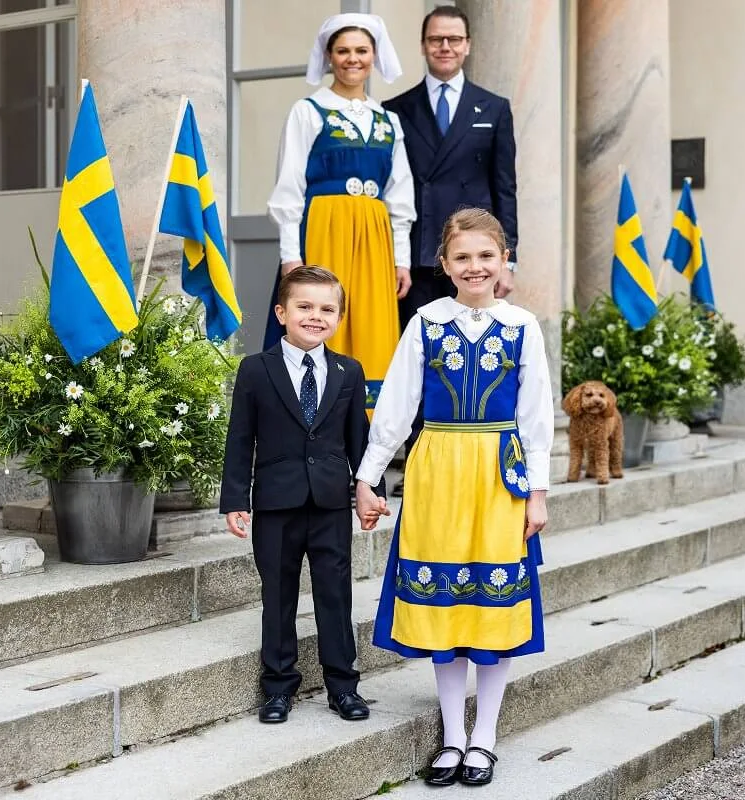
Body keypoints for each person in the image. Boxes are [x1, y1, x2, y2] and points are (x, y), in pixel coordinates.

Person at [355, 209, 553, 786]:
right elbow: (395, 407)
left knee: (491, 607)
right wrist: (368, 478)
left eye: (485, 256)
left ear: (503, 262)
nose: (474, 266)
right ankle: (451, 736)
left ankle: (484, 739)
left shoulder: (522, 326)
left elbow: (537, 419)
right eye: (462, 257)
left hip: (498, 473)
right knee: (445, 606)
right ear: (443, 264)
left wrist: (537, 495)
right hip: (437, 470)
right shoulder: (424, 322)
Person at [221, 266, 387, 725]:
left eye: (327, 309)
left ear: (339, 317)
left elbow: (360, 440)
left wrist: (369, 489)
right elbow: (240, 439)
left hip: (331, 503)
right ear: (282, 312)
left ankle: (343, 685)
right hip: (276, 504)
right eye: (305, 307)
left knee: (335, 595)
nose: (316, 316)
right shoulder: (256, 369)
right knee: (278, 594)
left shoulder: (348, 372)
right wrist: (236, 499)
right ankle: (277, 688)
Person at [383, 5, 519, 494]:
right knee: (425, 357)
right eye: (436, 39)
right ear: (423, 45)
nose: (445, 47)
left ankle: (478, 459)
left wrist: (508, 258)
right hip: (420, 253)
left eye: (454, 39)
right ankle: (420, 462)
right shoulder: (396, 110)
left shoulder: (494, 107)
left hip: (479, 255)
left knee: (478, 353)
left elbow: (505, 188)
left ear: (468, 46)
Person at [264, 13, 416, 413]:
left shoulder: (388, 121)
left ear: (374, 56)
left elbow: (400, 195)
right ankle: (315, 427)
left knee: (371, 329)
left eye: (361, 51)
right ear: (329, 57)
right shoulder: (309, 110)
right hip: (324, 229)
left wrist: (401, 258)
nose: (353, 59)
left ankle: (367, 440)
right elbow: (289, 188)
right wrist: (290, 256)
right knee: (321, 320)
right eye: (343, 50)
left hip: (375, 238)